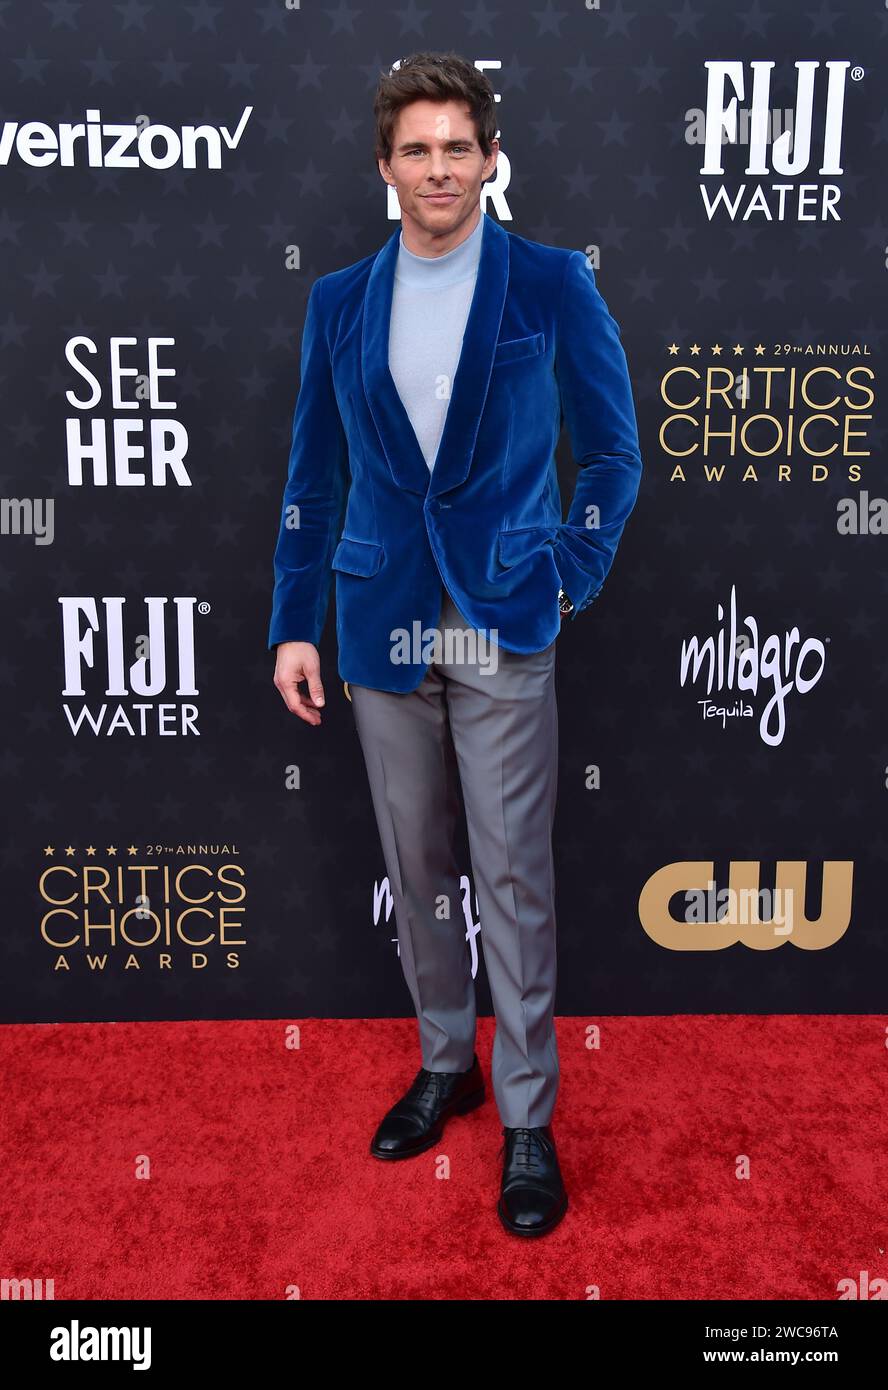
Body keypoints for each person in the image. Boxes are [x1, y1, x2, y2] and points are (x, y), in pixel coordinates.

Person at [269, 51, 642, 1237]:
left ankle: (527, 1115)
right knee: (419, 872)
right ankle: (448, 1064)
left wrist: (569, 569)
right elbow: (311, 480)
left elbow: (616, 454)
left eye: (457, 146)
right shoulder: (338, 300)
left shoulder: (549, 283)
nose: (439, 168)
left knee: (514, 876)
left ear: (490, 157)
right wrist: (293, 623)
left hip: (503, 624)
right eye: (415, 150)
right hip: (380, 621)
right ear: (386, 168)